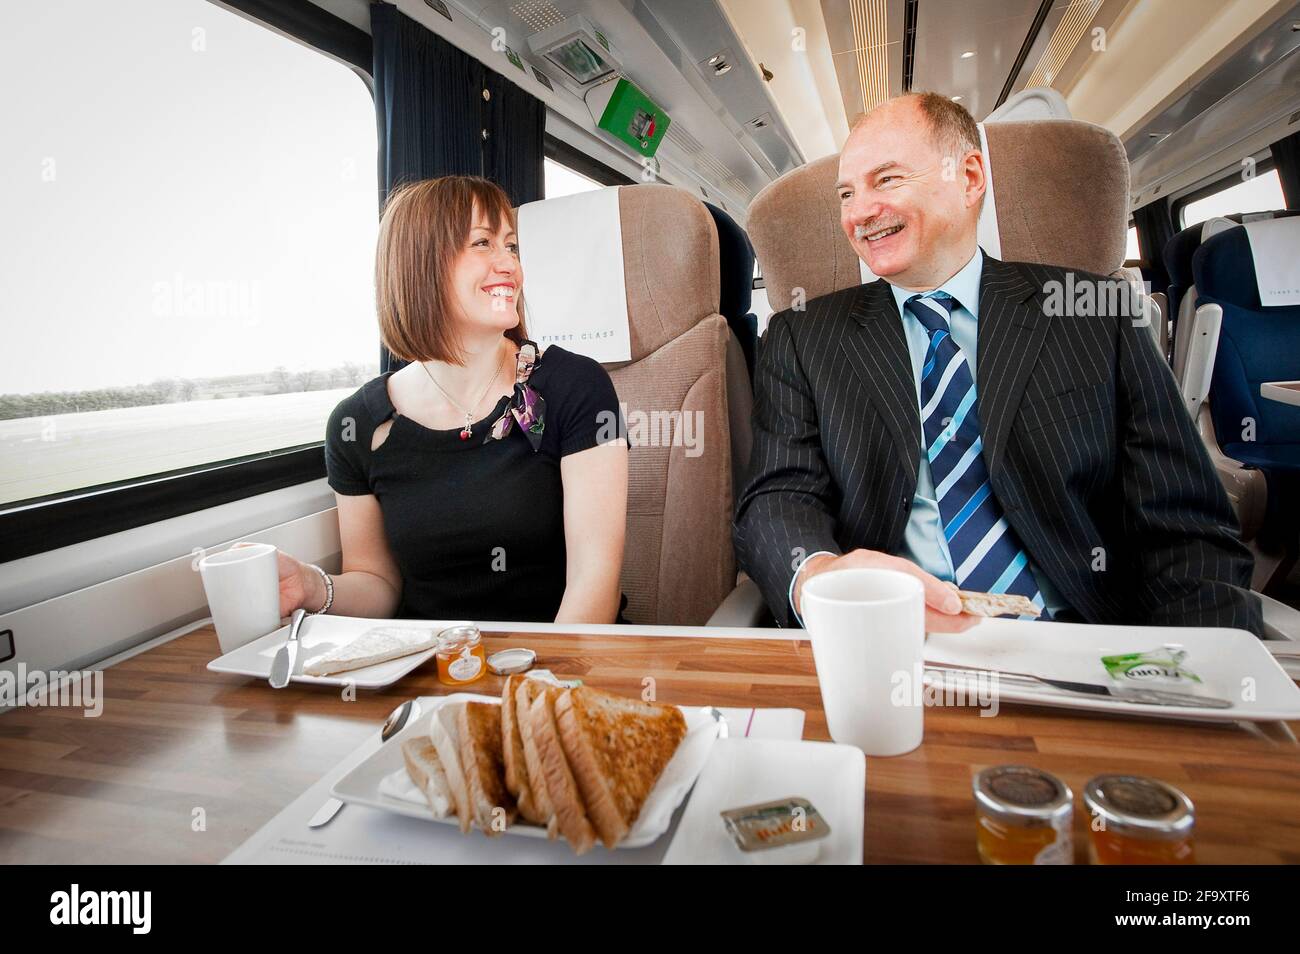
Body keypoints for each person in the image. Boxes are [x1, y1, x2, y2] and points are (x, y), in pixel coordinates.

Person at [735, 92, 1262, 635]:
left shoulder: (1093, 313)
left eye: (887, 180)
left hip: (1079, 640)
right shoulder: (803, 336)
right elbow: (778, 497)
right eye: (847, 193)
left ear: (968, 177)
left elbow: (1185, 525)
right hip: (889, 638)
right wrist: (824, 578)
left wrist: (1202, 671)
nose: (860, 213)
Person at [249, 175, 628, 624]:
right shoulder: (357, 426)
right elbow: (378, 586)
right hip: (428, 671)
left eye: (512, 246)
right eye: (483, 243)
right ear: (420, 265)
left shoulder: (575, 385)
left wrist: (529, 690)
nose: (509, 264)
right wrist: (314, 585)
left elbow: (594, 581)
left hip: (552, 671)